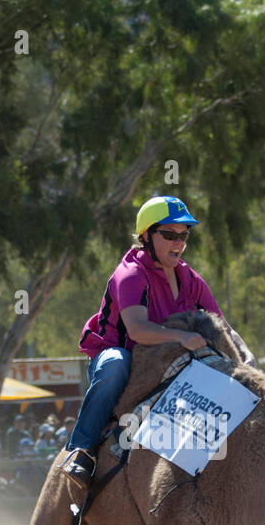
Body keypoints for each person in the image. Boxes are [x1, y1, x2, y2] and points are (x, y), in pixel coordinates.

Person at [59, 195, 243, 486]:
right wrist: (183, 337)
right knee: (117, 364)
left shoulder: (191, 278)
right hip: (118, 354)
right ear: (146, 236)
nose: (178, 242)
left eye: (184, 235)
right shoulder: (130, 274)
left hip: (162, 361)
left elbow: (222, 327)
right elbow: (137, 330)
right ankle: (84, 451)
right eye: (169, 234)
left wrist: (245, 356)